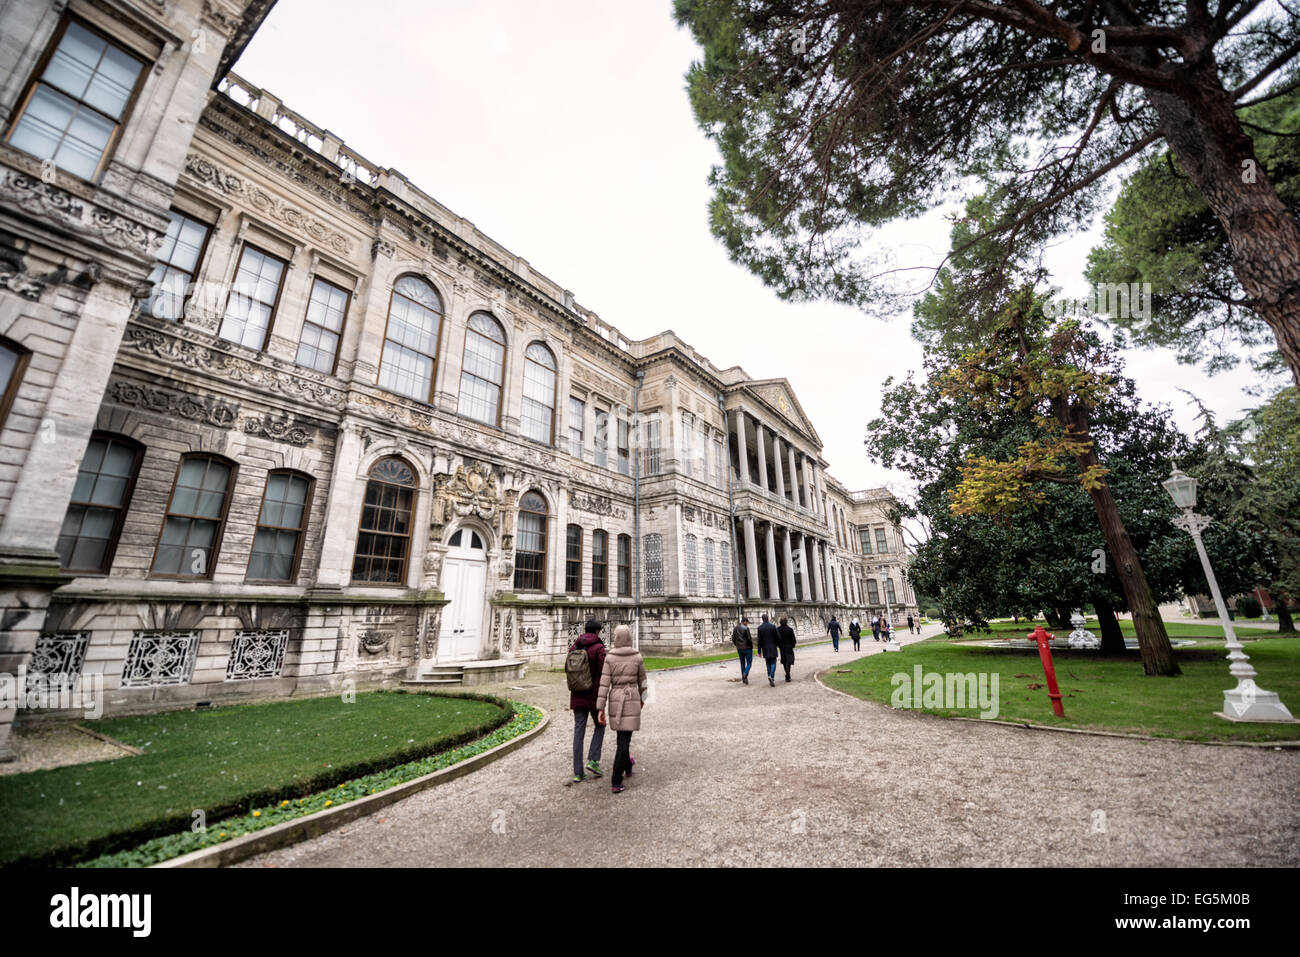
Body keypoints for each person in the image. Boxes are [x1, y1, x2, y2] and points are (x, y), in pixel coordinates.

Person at [596, 624, 648, 794]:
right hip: (632, 697)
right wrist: (643, 699)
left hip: (616, 698)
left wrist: (600, 708)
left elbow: (604, 684)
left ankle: (627, 765)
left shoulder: (610, 658)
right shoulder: (637, 656)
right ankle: (616, 780)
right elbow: (643, 681)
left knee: (622, 738)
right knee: (624, 739)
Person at [566, 618, 607, 784]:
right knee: (600, 725)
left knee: (578, 732)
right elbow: (605, 673)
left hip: (577, 694)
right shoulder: (599, 648)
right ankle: (593, 759)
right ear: (597, 631)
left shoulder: (574, 646)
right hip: (594, 695)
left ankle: (578, 772)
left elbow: (567, 669)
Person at [756, 613, 780, 686]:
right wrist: (777, 645)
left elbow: (759, 641)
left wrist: (759, 651)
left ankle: (769, 675)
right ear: (768, 618)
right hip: (773, 647)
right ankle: (771, 676)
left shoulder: (760, 628)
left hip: (765, 648)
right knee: (773, 662)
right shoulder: (773, 626)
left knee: (768, 663)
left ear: (762, 619)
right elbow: (778, 637)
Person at [731, 616, 754, 685]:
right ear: (745, 622)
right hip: (747, 648)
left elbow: (733, 638)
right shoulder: (746, 628)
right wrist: (751, 646)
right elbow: (749, 639)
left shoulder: (735, 628)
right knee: (749, 662)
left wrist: (737, 645)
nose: (747, 624)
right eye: (747, 622)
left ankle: (744, 678)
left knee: (742, 663)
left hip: (739, 648)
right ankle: (745, 673)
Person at [776, 616, 797, 682]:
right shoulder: (790, 629)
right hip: (789, 647)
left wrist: (779, 646)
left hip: (782, 647)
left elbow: (777, 640)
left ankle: (787, 673)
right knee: (789, 661)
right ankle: (788, 674)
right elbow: (793, 639)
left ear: (780, 622)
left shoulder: (778, 629)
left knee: (784, 661)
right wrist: (792, 645)